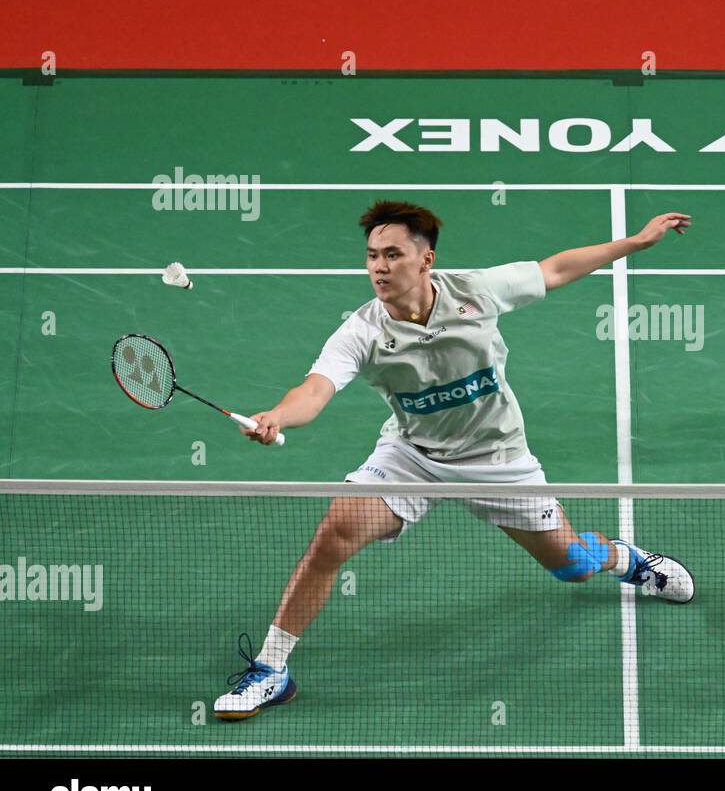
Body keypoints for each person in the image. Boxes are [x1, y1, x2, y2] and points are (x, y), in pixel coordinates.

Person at [214, 200, 695, 721]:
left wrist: (636, 243)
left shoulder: (476, 291)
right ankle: (272, 670)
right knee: (336, 530)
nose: (379, 266)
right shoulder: (361, 331)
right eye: (372, 255)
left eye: (393, 254)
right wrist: (280, 416)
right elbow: (315, 389)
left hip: (497, 457)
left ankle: (625, 560)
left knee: (572, 566)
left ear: (425, 260)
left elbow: (556, 269)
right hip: (413, 455)